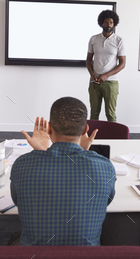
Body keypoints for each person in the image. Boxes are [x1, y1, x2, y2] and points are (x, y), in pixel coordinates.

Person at [11, 96, 115, 246]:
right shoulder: (105, 166)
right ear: (85, 129)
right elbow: (106, 201)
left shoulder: (22, 164)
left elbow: (18, 201)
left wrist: (41, 152)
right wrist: (83, 152)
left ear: (50, 128)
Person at [86, 9, 126, 122]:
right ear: (101, 23)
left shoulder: (119, 40)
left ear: (114, 24)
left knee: (110, 114)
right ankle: (92, 139)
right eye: (106, 22)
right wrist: (92, 75)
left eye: (111, 23)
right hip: (94, 82)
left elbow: (122, 64)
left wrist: (106, 75)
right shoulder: (94, 39)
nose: (109, 25)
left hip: (111, 82)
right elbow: (88, 60)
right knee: (94, 113)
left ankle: (113, 139)